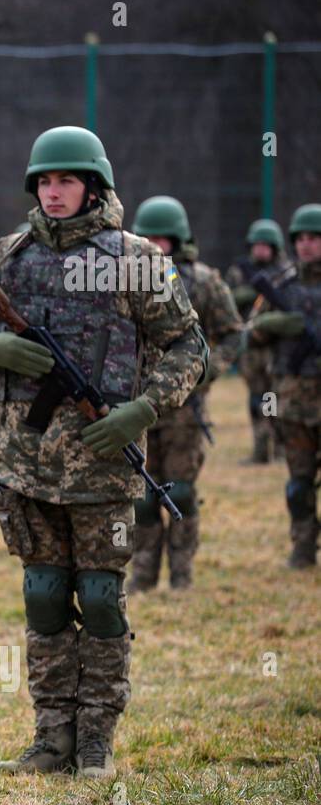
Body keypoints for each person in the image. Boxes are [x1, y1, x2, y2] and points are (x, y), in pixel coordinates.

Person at [0, 126, 206, 778]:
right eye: (45, 182)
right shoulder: (9, 254)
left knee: (104, 600)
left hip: (106, 466)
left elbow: (188, 347)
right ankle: (51, 739)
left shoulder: (138, 258)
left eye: (67, 181)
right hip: (27, 468)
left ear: (94, 186)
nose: (54, 193)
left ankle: (96, 746)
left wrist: (141, 411)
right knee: (44, 595)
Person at [127, 196, 242, 590]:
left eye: (164, 238)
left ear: (178, 239)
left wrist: (207, 370)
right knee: (141, 499)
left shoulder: (205, 282)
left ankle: (182, 575)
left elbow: (232, 334)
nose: (156, 246)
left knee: (183, 493)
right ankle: (143, 575)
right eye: (149, 238)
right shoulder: (123, 279)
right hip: (137, 409)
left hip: (185, 412)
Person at [245, 203, 321, 568]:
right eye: (301, 238)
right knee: (298, 485)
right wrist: (273, 325)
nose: (306, 245)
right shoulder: (280, 286)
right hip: (292, 405)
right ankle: (303, 549)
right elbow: (249, 335)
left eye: (314, 238)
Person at [225, 218, 290, 464]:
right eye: (257, 244)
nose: (261, 249)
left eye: (266, 245)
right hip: (251, 348)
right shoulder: (240, 271)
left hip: (277, 347)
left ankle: (280, 447)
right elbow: (228, 299)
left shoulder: (286, 273)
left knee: (273, 399)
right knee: (257, 399)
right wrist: (254, 291)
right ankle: (261, 449)